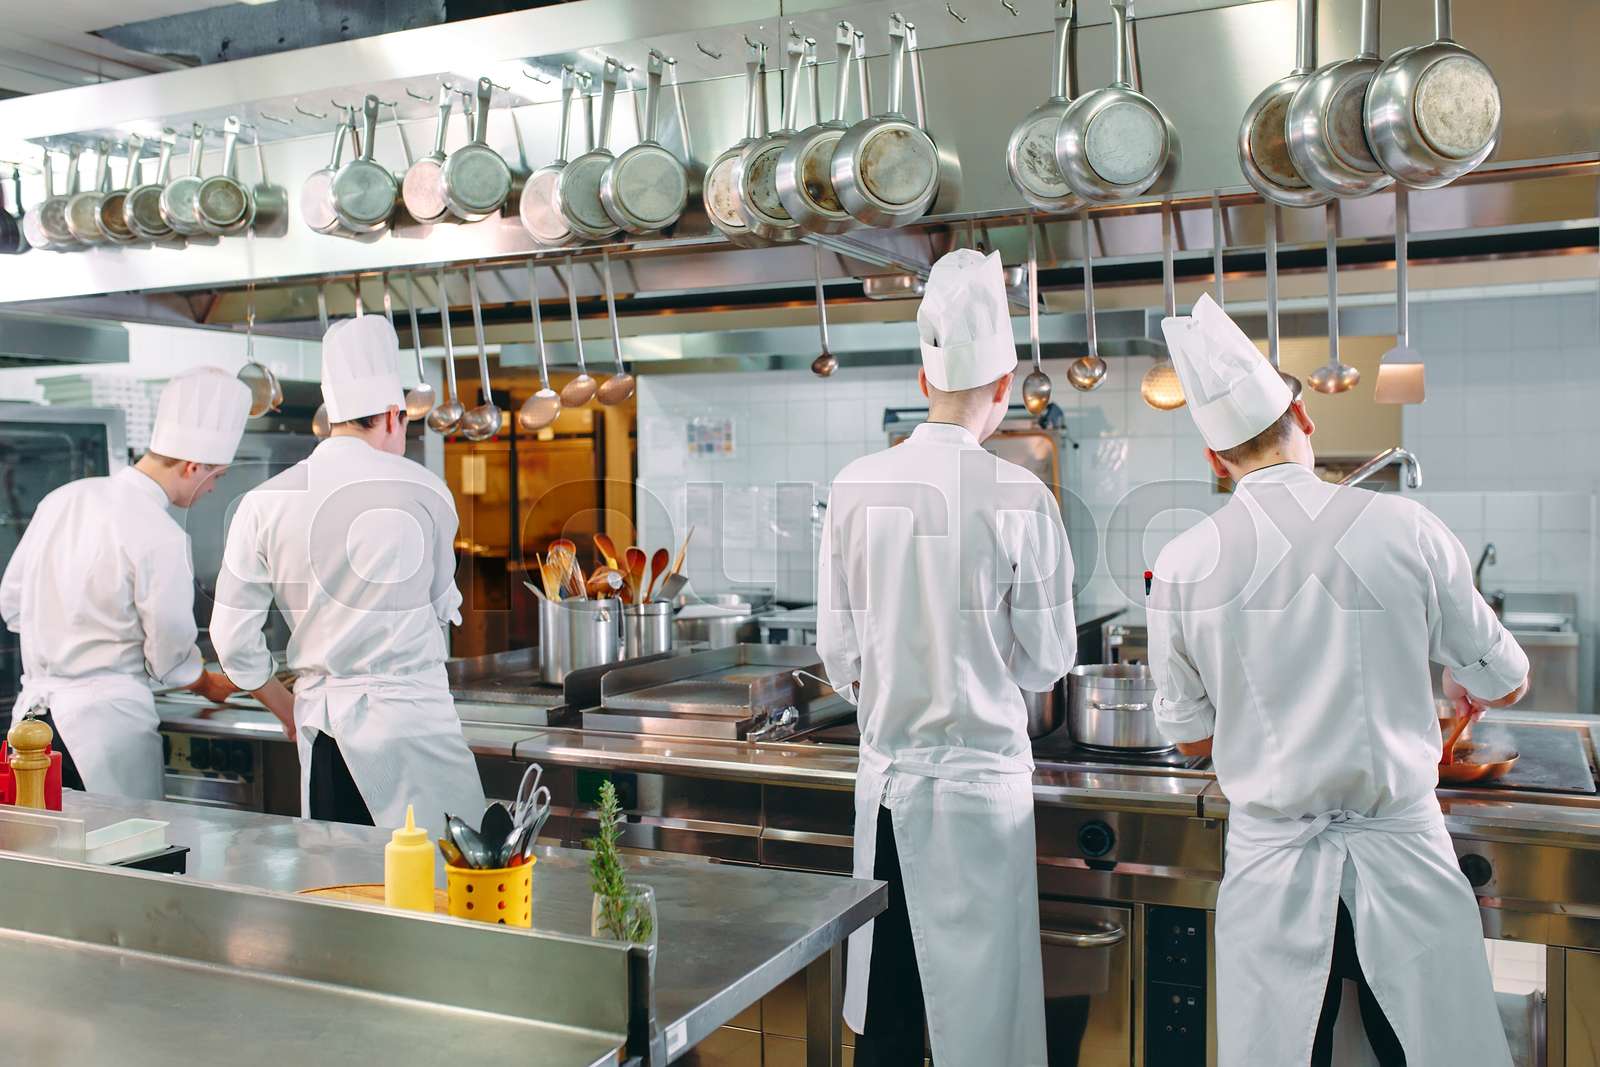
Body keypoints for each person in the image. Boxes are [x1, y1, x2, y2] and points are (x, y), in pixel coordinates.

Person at [1148, 293, 1528, 1067]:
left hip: (1272, 867)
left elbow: (1189, 735)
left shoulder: (1185, 561)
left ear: (1215, 461)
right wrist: (1462, 685)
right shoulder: (1405, 527)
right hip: (1406, 859)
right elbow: (1508, 678)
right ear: (1307, 422)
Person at [816, 248, 1077, 1066]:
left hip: (891, 794)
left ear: (924, 381)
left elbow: (839, 656)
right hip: (981, 804)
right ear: (1003, 391)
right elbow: (1049, 660)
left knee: (888, 1027)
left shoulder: (857, 485)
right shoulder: (1022, 497)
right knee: (986, 1036)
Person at [210, 314, 485, 835]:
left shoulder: (263, 502)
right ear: (391, 414)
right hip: (417, 726)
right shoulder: (425, 490)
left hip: (327, 728)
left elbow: (231, 641)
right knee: (446, 892)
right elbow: (439, 607)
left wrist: (287, 707)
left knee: (344, 888)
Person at [0, 366, 289, 798]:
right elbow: (170, 656)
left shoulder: (62, 499)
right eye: (217, 477)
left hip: (33, 729)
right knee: (123, 858)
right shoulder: (161, 533)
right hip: (104, 732)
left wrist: (67, 640)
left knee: (43, 853)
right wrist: (207, 682)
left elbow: (13, 605)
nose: (213, 491)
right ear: (194, 466)